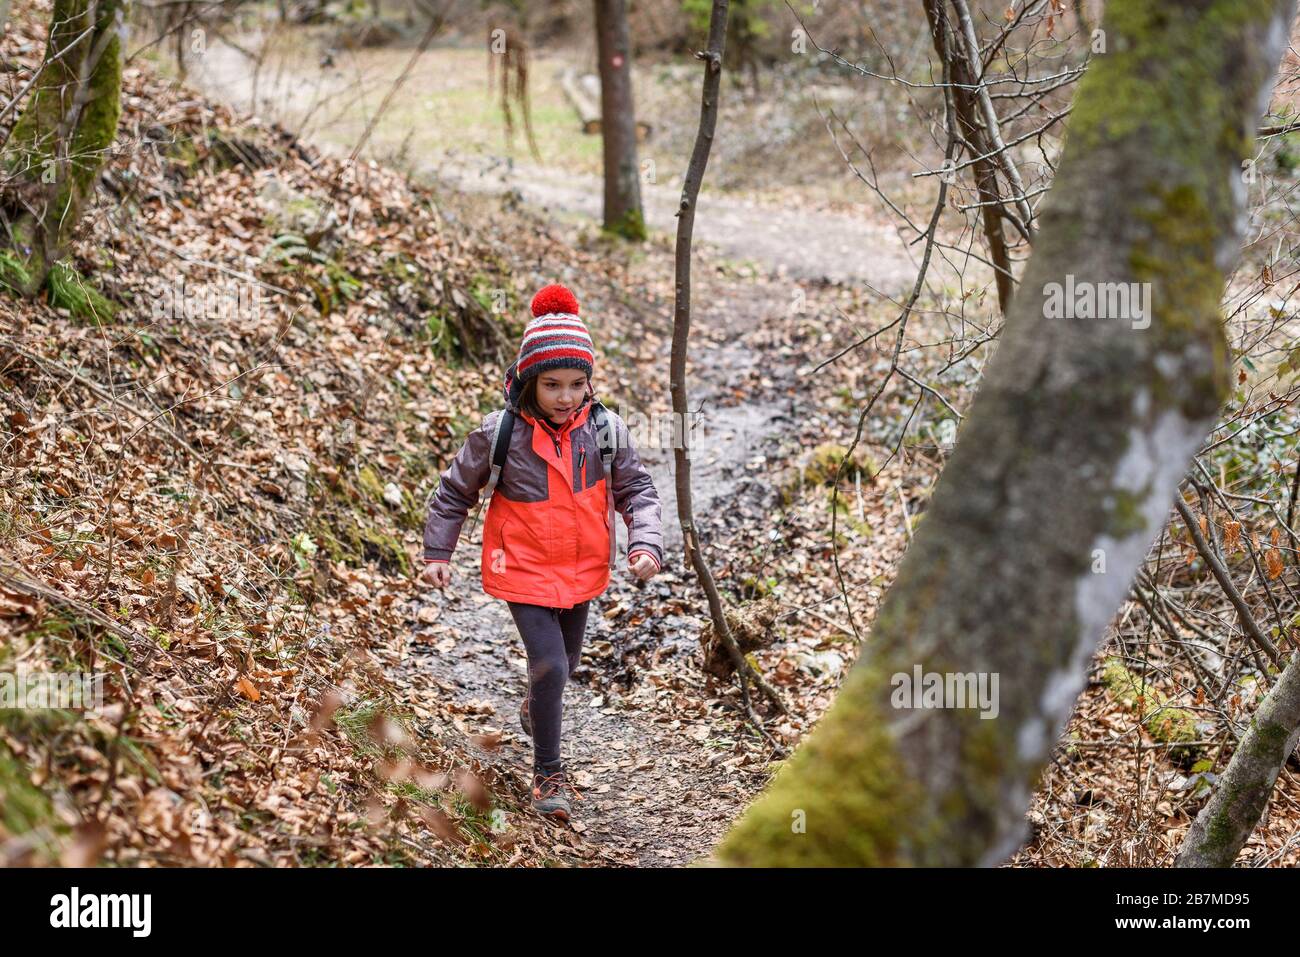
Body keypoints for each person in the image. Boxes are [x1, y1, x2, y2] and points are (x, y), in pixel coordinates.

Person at [420, 283, 664, 822]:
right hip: (523, 566)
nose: (565, 396)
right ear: (528, 381)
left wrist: (644, 541)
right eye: (552, 384)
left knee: (565, 665)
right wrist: (439, 551)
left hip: (582, 568)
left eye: (577, 384)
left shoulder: (605, 431)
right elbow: (456, 490)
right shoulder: (499, 433)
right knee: (550, 664)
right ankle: (547, 775)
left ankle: (537, 705)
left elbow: (637, 492)